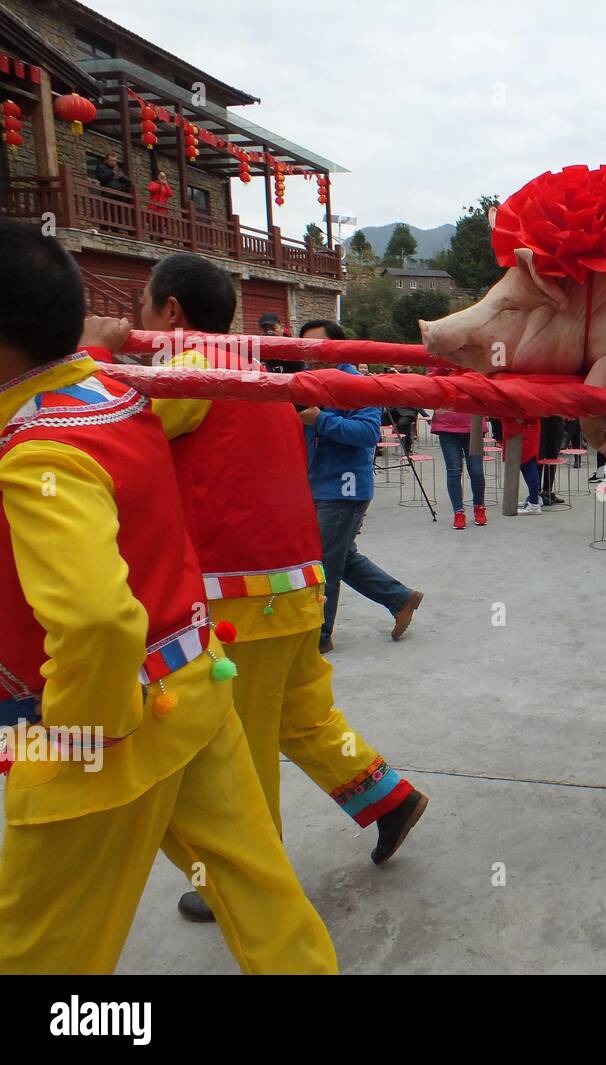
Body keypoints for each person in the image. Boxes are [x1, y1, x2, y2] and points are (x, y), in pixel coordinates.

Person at [0, 221, 336, 973]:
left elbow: (95, 619)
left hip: (107, 723)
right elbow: (71, 380)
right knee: (259, 890)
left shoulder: (40, 450)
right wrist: (97, 348)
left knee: (36, 948)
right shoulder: (116, 391)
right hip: (194, 674)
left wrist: (76, 741)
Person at [132, 256, 429, 921]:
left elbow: (110, 438)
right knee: (302, 716)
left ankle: (246, 881)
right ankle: (389, 798)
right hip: (293, 582)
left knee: (237, 745)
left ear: (171, 313)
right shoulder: (255, 371)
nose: (138, 324)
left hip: (239, 596)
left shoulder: (189, 371)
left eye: (144, 309)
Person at [299, 319, 424, 651]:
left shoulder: (355, 383)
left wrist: (319, 419)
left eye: (318, 347)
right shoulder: (304, 382)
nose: (310, 355)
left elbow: (369, 434)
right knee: (342, 556)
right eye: (305, 348)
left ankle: (320, 636)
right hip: (315, 485)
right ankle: (401, 599)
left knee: (325, 563)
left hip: (344, 488)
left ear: (337, 348)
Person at [432, 407, 487, 528]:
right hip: (446, 425)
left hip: (474, 424)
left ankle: (479, 506)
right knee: (454, 472)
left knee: (476, 471)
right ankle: (458, 512)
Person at [502, 416, 542, 513]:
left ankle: (534, 504)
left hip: (524, 428)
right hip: (522, 427)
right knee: (528, 465)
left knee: (528, 465)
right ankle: (534, 499)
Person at [539, 415, 565, 506]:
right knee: (539, 458)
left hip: (556, 418)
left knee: (553, 459)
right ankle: (536, 494)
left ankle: (547, 491)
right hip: (541, 418)